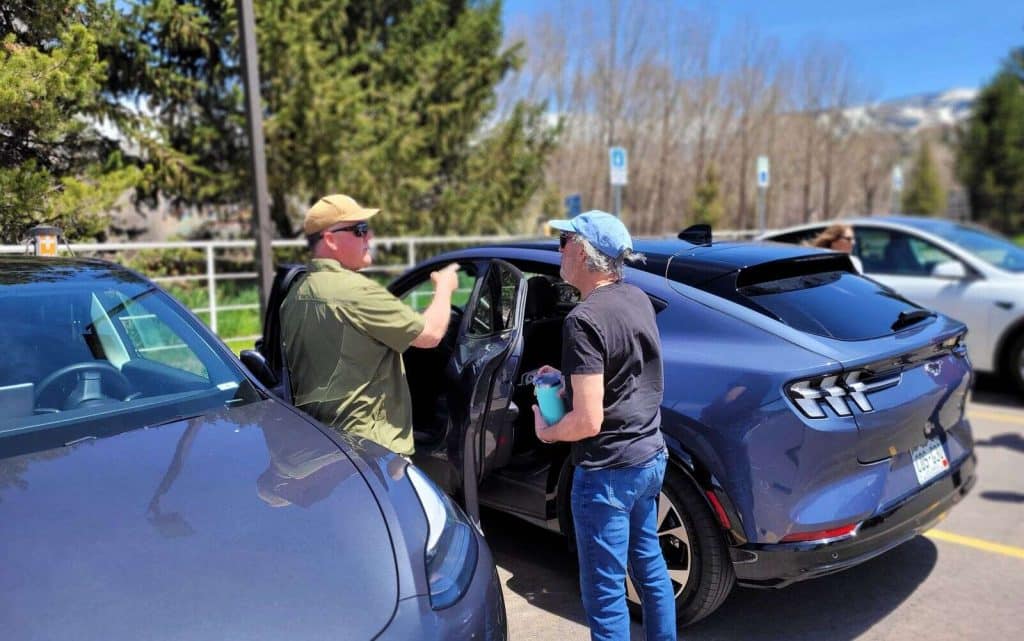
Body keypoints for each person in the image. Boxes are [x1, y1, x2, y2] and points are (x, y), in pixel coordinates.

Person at [533, 210, 676, 641]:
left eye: (563, 241)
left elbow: (588, 421)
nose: (558, 249)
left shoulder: (583, 320)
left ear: (581, 251)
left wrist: (547, 428)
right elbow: (623, 376)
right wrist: (566, 381)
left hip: (608, 473)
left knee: (606, 594)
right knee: (650, 568)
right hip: (650, 457)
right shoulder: (635, 298)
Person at [279, 194, 459, 456]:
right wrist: (444, 288)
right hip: (373, 448)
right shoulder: (354, 291)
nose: (369, 237)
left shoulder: (297, 293)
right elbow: (430, 334)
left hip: (325, 442)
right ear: (330, 238)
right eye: (359, 230)